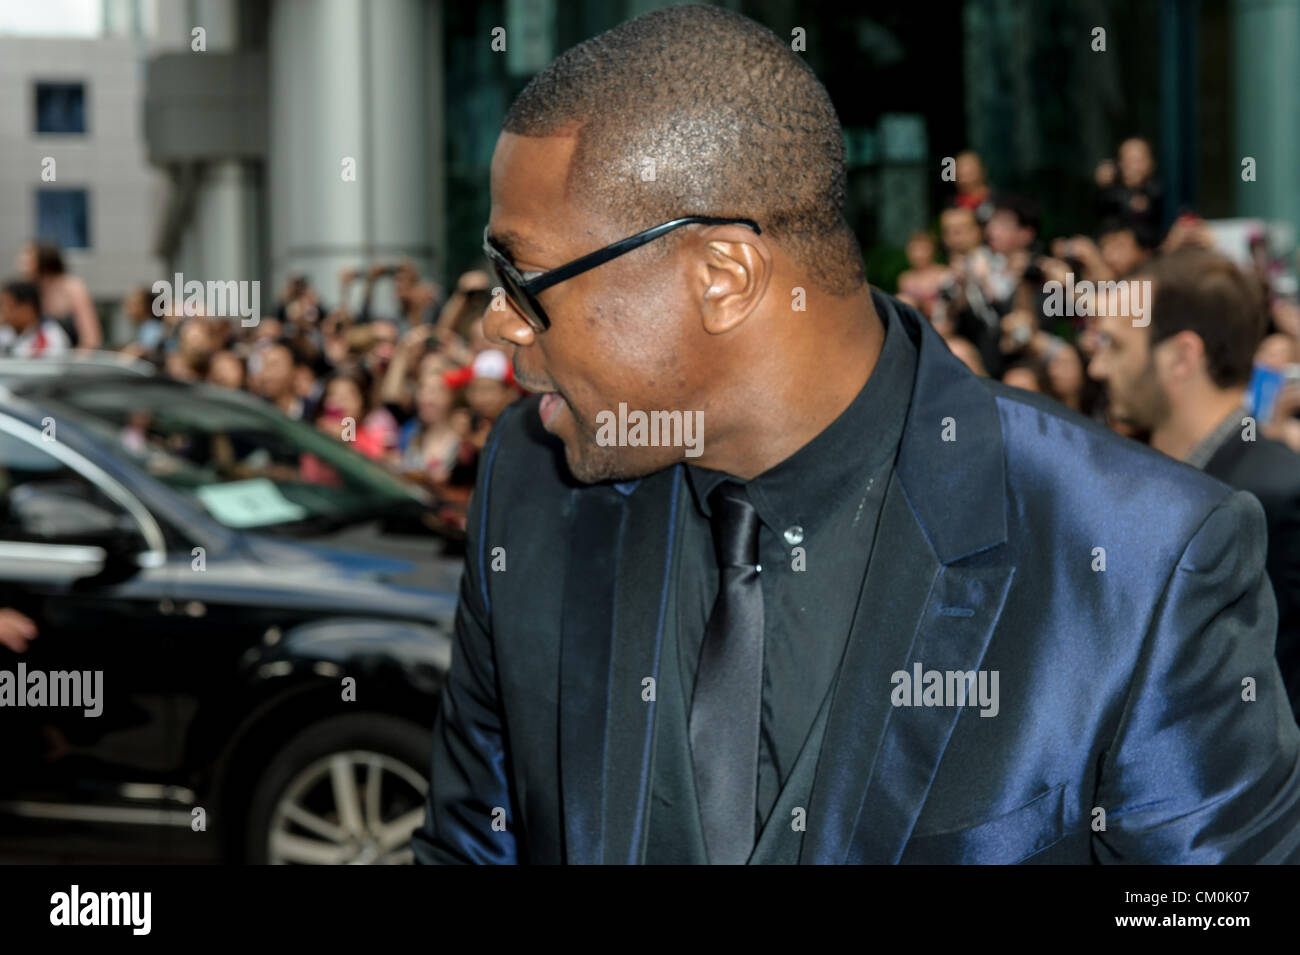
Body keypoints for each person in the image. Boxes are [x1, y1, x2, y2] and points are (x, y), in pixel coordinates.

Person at [412, 5, 1300, 866]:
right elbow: (470, 846)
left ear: (722, 275)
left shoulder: (1140, 560)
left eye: (524, 280)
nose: (498, 326)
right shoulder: (532, 486)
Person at [1088, 247, 1300, 714]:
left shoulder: (1277, 497)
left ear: (1182, 357)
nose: (1097, 368)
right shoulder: (1159, 483)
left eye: (1116, 345)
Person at [16, 241, 101, 350]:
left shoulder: (72, 287)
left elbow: (90, 337)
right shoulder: (30, 290)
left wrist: (81, 358)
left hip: (71, 359)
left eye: (27, 258)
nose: (21, 264)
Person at [0, 279, 70, 358]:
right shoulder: (5, 331)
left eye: (8, 305)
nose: (4, 311)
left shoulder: (50, 337)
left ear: (27, 308)